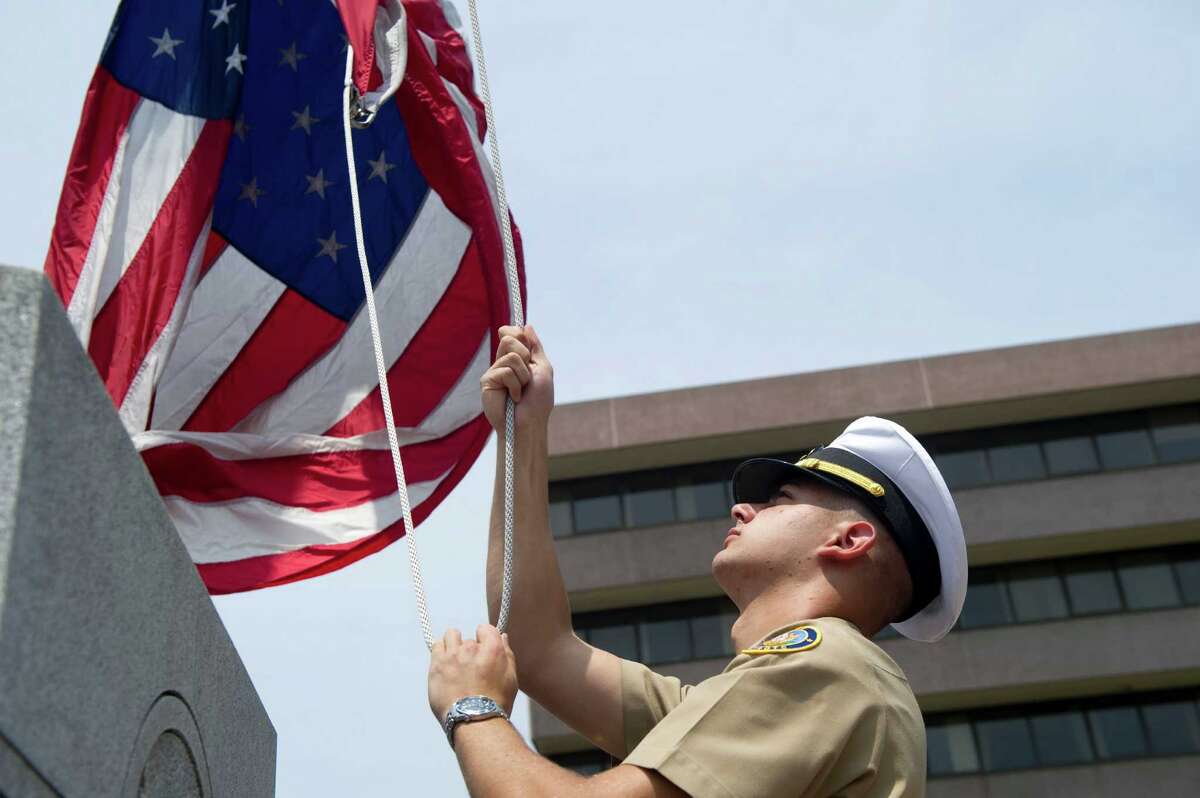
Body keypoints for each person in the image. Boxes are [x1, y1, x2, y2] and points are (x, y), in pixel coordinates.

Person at [426, 325, 968, 797]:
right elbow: (537, 646)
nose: (742, 508)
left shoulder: (828, 668)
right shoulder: (794, 686)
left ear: (849, 541)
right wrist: (523, 434)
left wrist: (474, 710)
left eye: (780, 500)